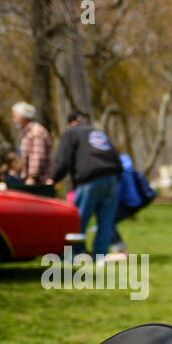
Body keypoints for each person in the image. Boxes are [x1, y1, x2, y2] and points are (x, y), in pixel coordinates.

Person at [51, 111, 124, 260]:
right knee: (105, 220)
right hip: (112, 178)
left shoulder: (71, 133)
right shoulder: (98, 133)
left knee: (78, 219)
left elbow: (63, 160)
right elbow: (116, 157)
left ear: (70, 123)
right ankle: (100, 256)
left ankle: (74, 253)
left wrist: (53, 178)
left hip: (90, 180)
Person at [11, 101, 53, 189]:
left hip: (39, 182)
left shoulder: (36, 132)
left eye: (15, 117)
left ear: (23, 117)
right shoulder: (27, 132)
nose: (13, 120)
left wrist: (32, 177)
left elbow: (37, 157)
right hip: (32, 180)